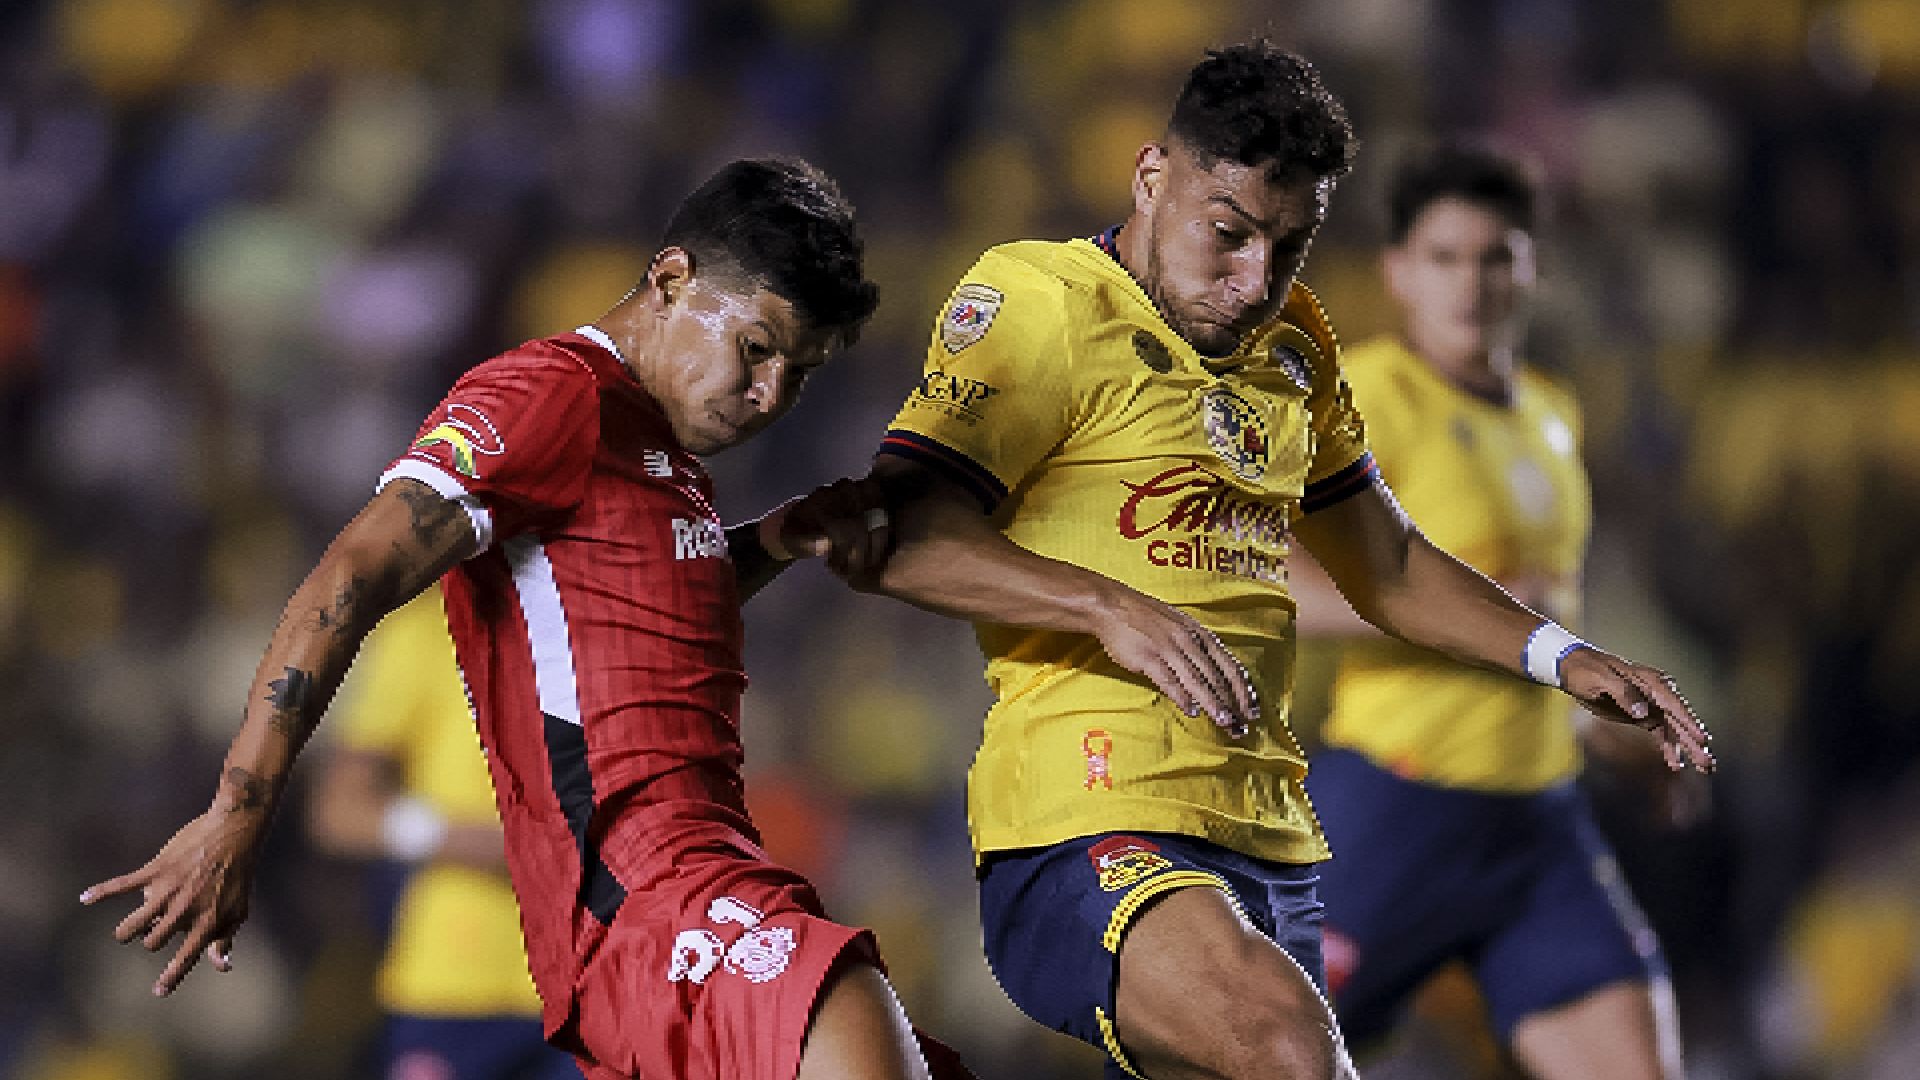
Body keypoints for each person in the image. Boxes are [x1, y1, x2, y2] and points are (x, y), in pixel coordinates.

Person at [857, 42, 1713, 1080]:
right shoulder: (1041, 298)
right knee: (1287, 1047)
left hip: (1271, 842)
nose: (1256, 279)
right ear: (1151, 177)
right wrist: (1106, 606)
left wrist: (1560, 656)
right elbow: (896, 533)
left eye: (1290, 246)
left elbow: (1387, 565)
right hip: (1087, 821)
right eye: (1229, 234)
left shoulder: (1296, 344)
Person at [82, 157, 975, 1080]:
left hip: (688, 891)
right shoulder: (554, 394)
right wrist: (236, 815)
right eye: (756, 349)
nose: (770, 396)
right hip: (643, 900)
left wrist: (774, 540)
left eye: (801, 374)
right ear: (670, 280)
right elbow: (348, 572)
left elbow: (636, 616)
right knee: (848, 1015)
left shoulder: (658, 455)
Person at [1286, 143, 1698, 1080]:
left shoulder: (1553, 414)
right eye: (1443, 258)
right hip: (1394, 811)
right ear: (1398, 273)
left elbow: (1542, 636)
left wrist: (1612, 739)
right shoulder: (1361, 399)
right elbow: (1262, 575)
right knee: (1256, 1057)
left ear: (1531, 270)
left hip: (1537, 826)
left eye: (1495, 257)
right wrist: (1437, 602)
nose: (1469, 283)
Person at [308, 583, 581, 1080]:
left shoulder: (616, 626)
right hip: (456, 981)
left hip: (595, 977)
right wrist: (466, 840)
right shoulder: (425, 634)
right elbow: (340, 811)